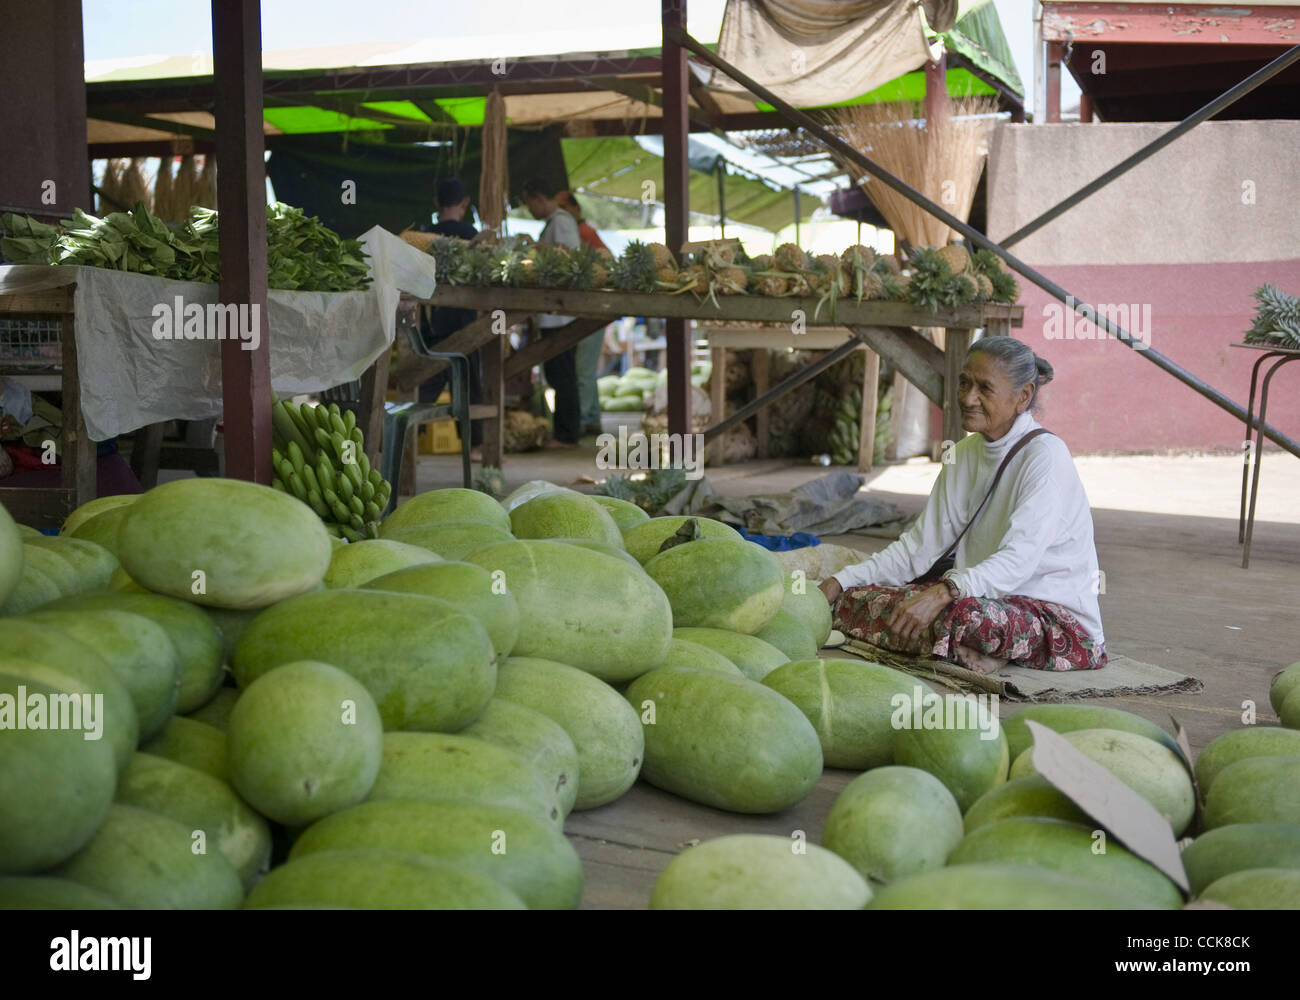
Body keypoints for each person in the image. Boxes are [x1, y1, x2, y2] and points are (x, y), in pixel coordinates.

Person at [819, 336, 1107, 673]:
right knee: (860, 598)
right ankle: (971, 649)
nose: (968, 398)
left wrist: (944, 592)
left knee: (965, 618)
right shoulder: (963, 454)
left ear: (1023, 396)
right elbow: (918, 549)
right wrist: (841, 581)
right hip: (982, 599)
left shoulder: (1046, 457)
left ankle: (974, 645)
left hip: (1054, 620)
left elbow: (1018, 561)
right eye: (964, 383)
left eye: (984, 388)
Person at [416, 176, 483, 459]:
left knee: (425, 381)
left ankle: (406, 439)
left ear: (436, 202)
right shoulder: (471, 234)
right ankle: (476, 446)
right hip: (467, 320)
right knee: (468, 383)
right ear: (465, 203)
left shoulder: (425, 236)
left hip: (435, 320)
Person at [521, 179, 582, 449]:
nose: (529, 210)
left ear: (538, 198)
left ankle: (567, 434)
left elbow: (567, 254)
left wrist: (535, 245)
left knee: (562, 375)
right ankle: (565, 431)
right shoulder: (556, 222)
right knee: (558, 374)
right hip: (553, 313)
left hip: (561, 314)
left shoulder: (562, 221)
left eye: (529, 203)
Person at [556, 190, 608, 436]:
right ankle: (591, 416)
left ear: (574, 209)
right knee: (584, 369)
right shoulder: (578, 231)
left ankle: (587, 418)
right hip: (586, 310)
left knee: (583, 370)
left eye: (564, 208)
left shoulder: (584, 233)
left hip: (593, 310)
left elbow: (607, 260)